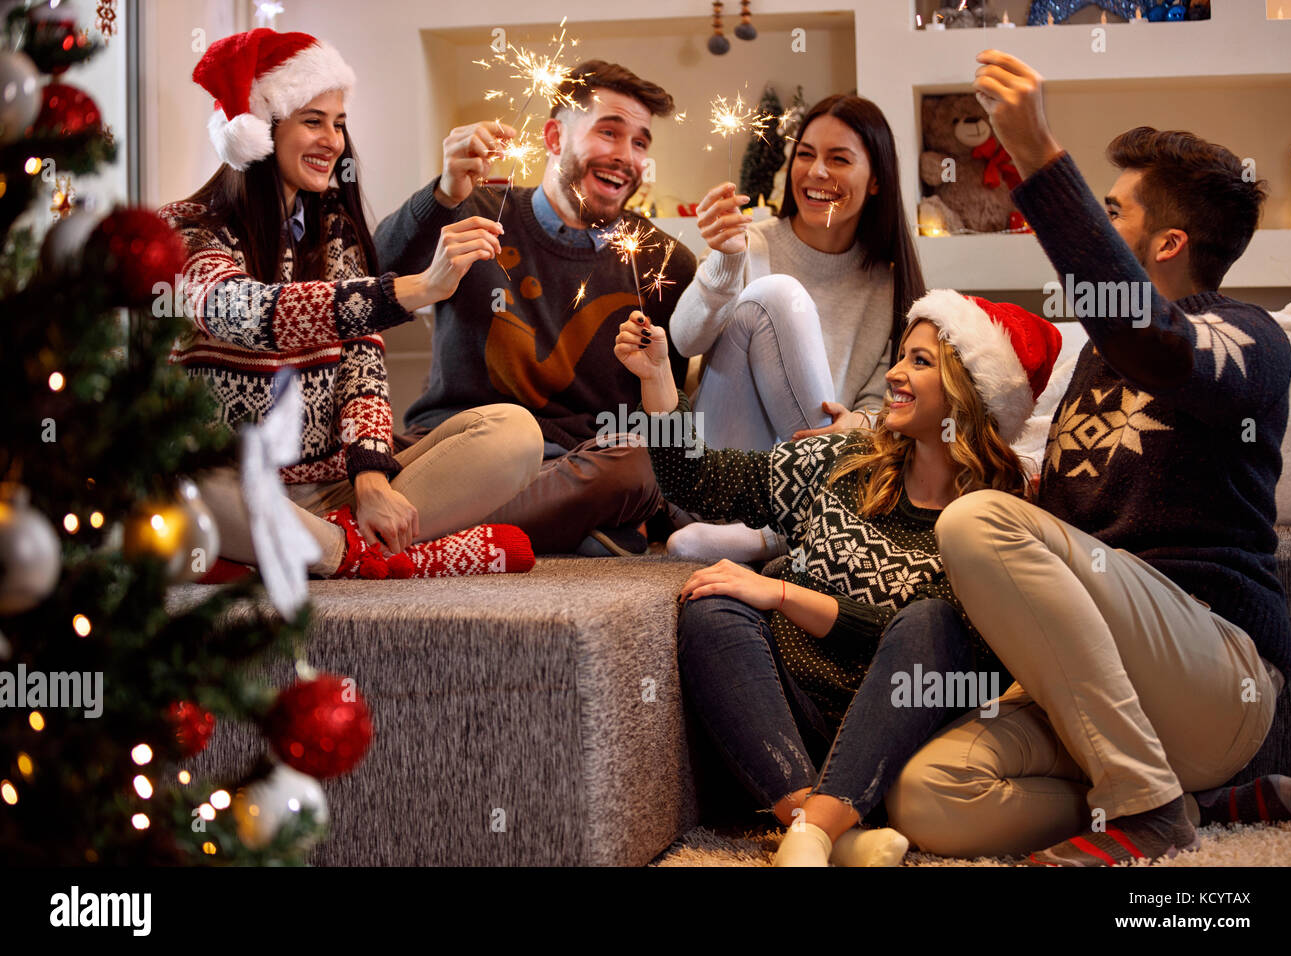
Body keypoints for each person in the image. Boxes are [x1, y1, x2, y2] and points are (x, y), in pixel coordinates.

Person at [885, 50, 1291, 866]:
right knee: (930, 797)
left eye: (1113, 212)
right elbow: (1046, 529)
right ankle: (1186, 798)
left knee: (977, 524)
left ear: (1169, 242)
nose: (1096, 226)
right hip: (1109, 688)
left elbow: (1155, 341)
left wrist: (1040, 158)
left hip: (1216, 671)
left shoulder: (1248, 338)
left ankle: (1146, 808)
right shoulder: (1094, 364)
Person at [615, 289, 1061, 866]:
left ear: (969, 393)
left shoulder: (997, 519)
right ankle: (823, 830)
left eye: (920, 362)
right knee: (713, 601)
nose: (896, 375)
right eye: (902, 356)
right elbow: (703, 481)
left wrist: (782, 594)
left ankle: (814, 830)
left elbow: (958, 655)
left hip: (897, 742)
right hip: (784, 726)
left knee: (931, 619)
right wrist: (655, 382)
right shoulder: (844, 462)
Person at [161, 29, 542, 580]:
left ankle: (319, 549)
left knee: (515, 434)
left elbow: (362, 363)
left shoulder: (334, 230)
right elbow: (254, 315)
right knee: (184, 476)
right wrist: (416, 288)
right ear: (259, 129)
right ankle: (365, 554)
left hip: (328, 492)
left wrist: (369, 475)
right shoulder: (186, 228)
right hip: (236, 488)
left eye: (338, 123)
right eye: (313, 120)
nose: (333, 141)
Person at [374, 60, 698, 557]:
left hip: (579, 465)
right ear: (553, 138)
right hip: (461, 450)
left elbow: (665, 416)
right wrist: (441, 194)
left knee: (641, 465)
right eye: (608, 132)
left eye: (639, 143)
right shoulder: (475, 211)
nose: (626, 157)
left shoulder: (665, 262)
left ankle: (423, 533)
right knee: (368, 463)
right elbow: (370, 275)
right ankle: (560, 530)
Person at [665, 94, 925, 564]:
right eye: (805, 154)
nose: (817, 172)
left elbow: (881, 402)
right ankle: (818, 522)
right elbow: (684, 340)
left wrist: (859, 425)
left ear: (876, 183)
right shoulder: (749, 242)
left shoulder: (889, 283)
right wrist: (725, 265)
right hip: (718, 480)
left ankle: (780, 536)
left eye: (839, 159)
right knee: (777, 295)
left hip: (802, 484)